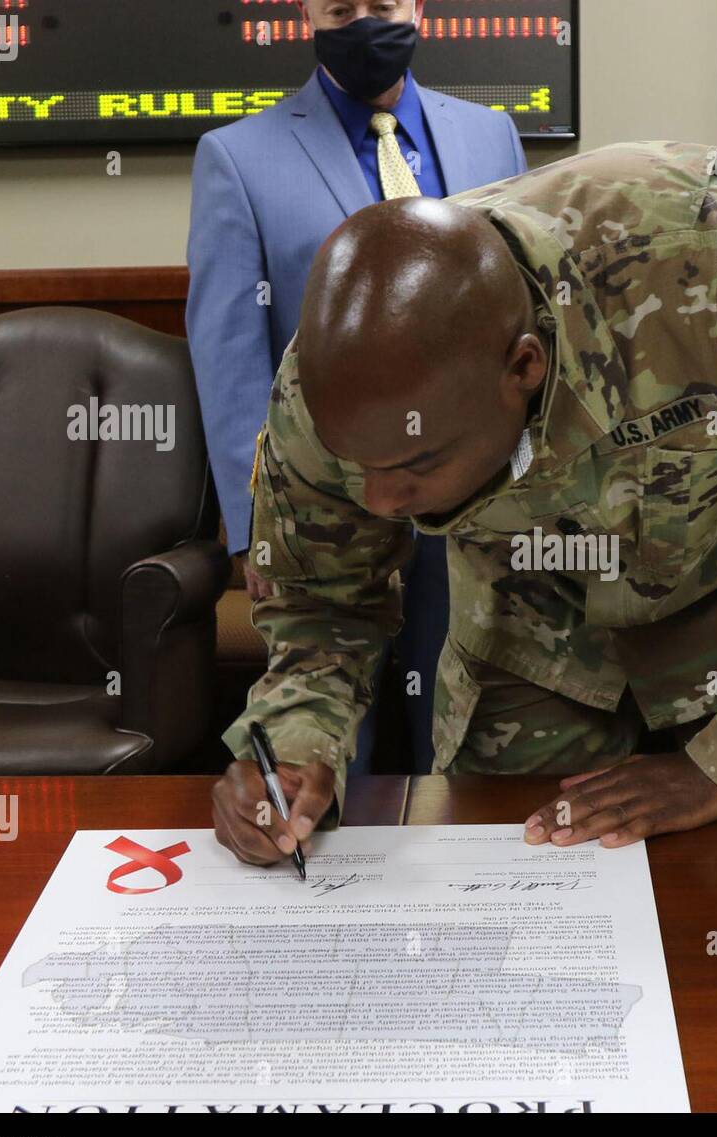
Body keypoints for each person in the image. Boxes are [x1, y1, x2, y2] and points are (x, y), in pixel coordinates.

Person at [210, 141, 717, 863]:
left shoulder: (714, 253)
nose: (381, 499)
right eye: (358, 467)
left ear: (523, 366)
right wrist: (293, 747)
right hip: (530, 636)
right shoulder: (328, 387)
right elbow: (320, 599)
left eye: (416, 464)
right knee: (513, 904)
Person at [187, 0, 525, 773]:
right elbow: (232, 353)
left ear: (416, 8)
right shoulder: (237, 156)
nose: (366, 20)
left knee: (469, 736)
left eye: (384, 5)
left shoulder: (489, 136)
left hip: (478, 511)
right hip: (328, 511)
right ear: (309, 11)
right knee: (338, 742)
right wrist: (252, 526)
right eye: (343, 7)